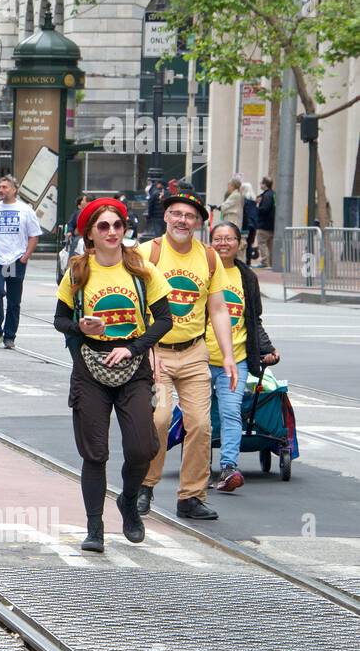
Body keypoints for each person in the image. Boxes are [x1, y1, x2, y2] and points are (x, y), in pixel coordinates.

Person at [54, 197, 173, 552]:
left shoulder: (141, 270)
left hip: (133, 365)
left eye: (117, 225)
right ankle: (94, 528)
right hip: (90, 367)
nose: (112, 232)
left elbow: (165, 319)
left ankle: (129, 501)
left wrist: (134, 348)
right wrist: (80, 325)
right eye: (103, 226)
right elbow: (59, 320)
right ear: (90, 234)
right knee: (95, 453)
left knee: (142, 447)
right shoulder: (78, 271)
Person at [136, 190, 237, 522]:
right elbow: (134, 306)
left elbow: (219, 309)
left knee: (201, 425)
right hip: (157, 353)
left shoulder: (208, 258)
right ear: (166, 217)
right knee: (160, 418)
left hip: (194, 353)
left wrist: (228, 357)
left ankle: (191, 496)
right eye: (177, 214)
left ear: (198, 223)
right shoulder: (147, 253)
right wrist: (145, 350)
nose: (182, 220)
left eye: (190, 216)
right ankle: (145, 485)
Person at [207, 222, 280, 493]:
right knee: (200, 419)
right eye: (218, 238)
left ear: (239, 243)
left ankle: (228, 468)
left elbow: (253, 320)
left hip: (235, 358)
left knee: (230, 413)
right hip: (200, 357)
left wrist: (266, 349)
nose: (223, 243)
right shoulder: (205, 271)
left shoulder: (247, 277)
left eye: (229, 239)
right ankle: (199, 468)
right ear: (210, 242)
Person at [0, 174, 42, 349]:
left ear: (14, 189)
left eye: (5, 187)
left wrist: (26, 255)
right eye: (0, 187)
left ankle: (10, 336)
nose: (1, 190)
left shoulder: (26, 210)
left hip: (16, 260)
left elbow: (34, 235)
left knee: (13, 300)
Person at [254, 177, 275, 268]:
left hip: (264, 224)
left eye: (261, 183)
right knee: (270, 245)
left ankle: (264, 262)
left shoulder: (266, 196)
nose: (260, 184)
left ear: (265, 184)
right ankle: (271, 263)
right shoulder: (273, 194)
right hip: (272, 224)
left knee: (262, 243)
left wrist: (257, 206)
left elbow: (264, 209)